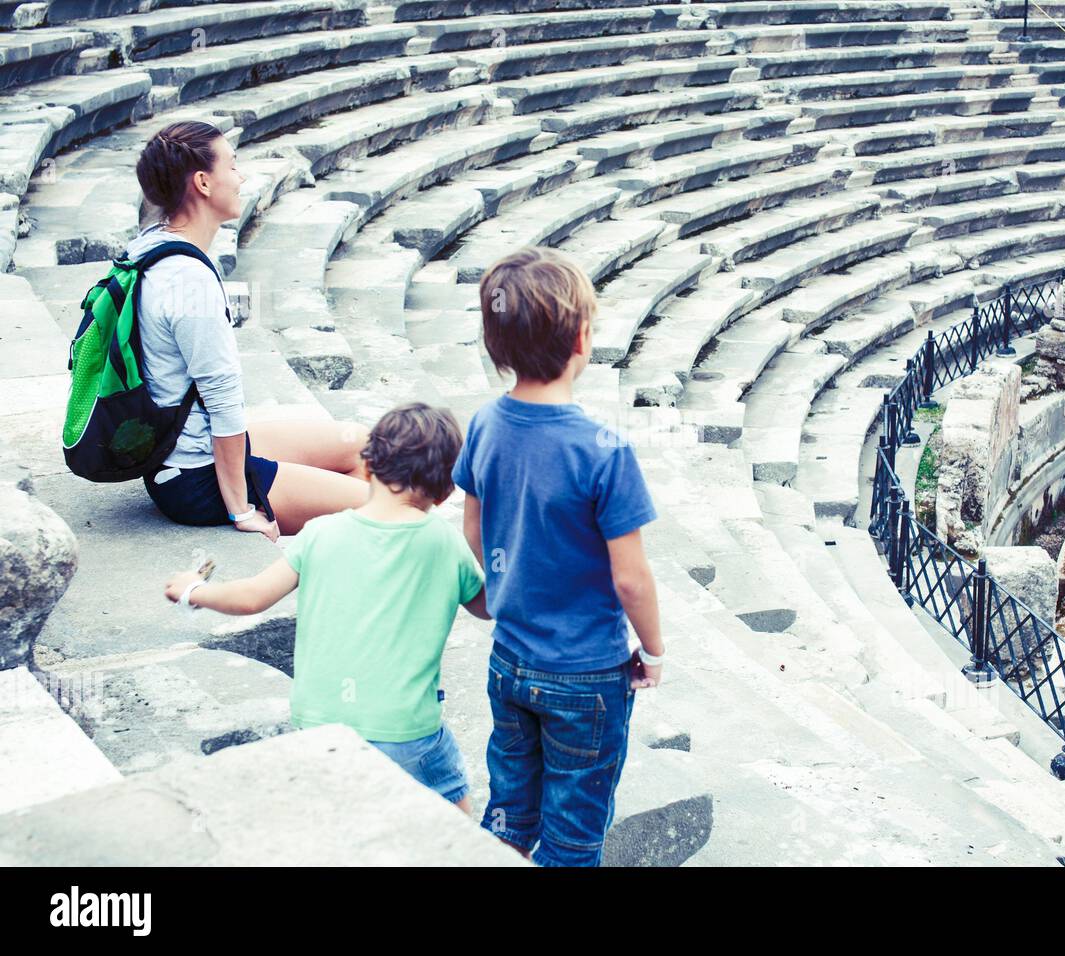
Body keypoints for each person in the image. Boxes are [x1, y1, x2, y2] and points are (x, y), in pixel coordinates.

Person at [164, 403, 489, 810]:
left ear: (367, 467)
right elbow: (488, 607)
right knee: (455, 817)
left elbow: (251, 598)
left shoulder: (321, 534)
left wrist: (195, 590)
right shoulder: (444, 542)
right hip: (406, 731)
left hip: (318, 726)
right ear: (446, 491)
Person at [453, 245, 666, 866]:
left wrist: (489, 598)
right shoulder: (604, 450)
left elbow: (472, 528)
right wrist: (653, 651)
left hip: (510, 660)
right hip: (588, 676)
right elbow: (631, 579)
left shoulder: (486, 424)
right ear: (581, 338)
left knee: (509, 812)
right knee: (573, 834)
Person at [131, 120, 368, 539]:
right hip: (194, 476)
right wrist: (242, 511)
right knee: (382, 509)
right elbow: (222, 401)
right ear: (203, 182)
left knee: (363, 448)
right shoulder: (190, 282)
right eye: (233, 166)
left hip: (177, 452)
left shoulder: (151, 244)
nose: (241, 179)